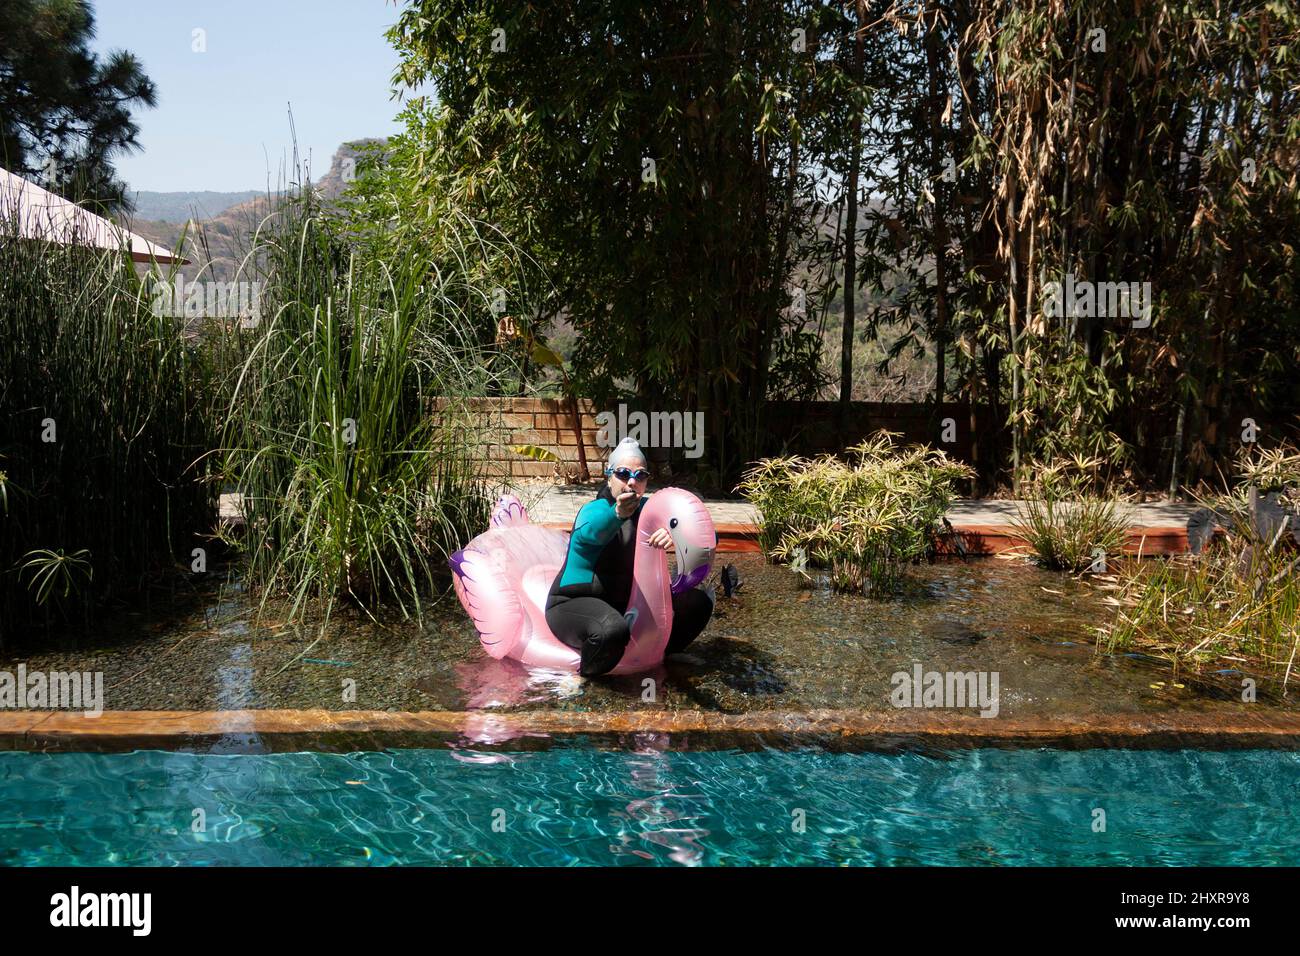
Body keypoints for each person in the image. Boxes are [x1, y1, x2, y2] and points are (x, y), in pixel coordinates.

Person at [545, 436, 714, 676]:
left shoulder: (650, 509)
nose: (632, 482)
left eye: (641, 475)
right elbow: (593, 531)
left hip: (625, 604)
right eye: (623, 474)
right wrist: (618, 514)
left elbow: (703, 532)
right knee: (611, 631)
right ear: (609, 476)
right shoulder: (594, 510)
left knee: (698, 603)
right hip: (573, 602)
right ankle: (586, 679)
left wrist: (674, 536)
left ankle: (664, 655)